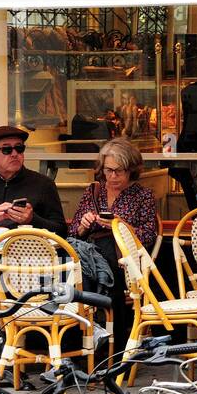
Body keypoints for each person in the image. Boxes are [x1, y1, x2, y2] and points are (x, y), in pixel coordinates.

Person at [68, 138, 161, 347]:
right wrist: (84, 224)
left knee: (96, 270)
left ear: (131, 170)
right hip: (92, 254)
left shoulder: (142, 195)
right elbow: (74, 233)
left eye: (119, 171)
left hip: (124, 259)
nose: (112, 176)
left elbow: (148, 235)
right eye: (108, 170)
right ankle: (80, 340)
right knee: (74, 265)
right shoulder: (94, 191)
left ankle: (107, 341)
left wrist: (120, 227)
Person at [0, 125, 67, 236]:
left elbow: (62, 231)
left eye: (19, 148)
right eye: (7, 150)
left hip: (29, 250)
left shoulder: (44, 184)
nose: (15, 154)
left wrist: (32, 220)